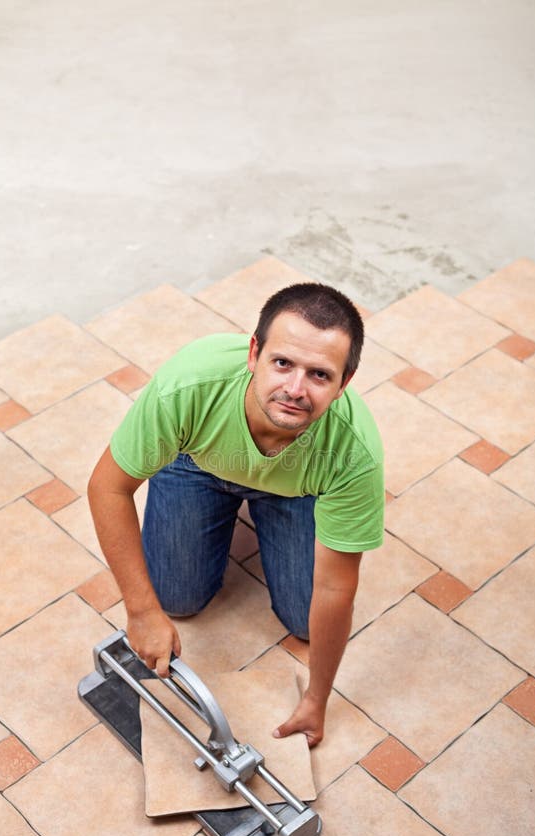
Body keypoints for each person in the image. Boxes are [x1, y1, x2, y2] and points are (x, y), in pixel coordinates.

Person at [88, 282, 384, 747]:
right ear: (254, 354)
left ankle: (265, 507)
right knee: (176, 601)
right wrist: (142, 612)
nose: (294, 389)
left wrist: (317, 699)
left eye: (319, 375)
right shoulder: (189, 386)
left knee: (307, 624)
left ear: (344, 383)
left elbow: (334, 587)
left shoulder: (353, 453)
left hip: (295, 491)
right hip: (197, 463)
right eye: (282, 363)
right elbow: (107, 487)